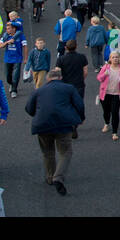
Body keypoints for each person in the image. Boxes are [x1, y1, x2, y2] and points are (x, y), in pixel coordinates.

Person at [24, 66, 85, 196]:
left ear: (48, 79)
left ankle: (50, 177)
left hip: (43, 125)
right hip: (63, 124)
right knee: (65, 152)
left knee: (48, 152)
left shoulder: (38, 91)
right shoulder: (69, 88)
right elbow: (79, 105)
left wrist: (40, 114)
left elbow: (29, 108)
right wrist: (81, 118)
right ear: (60, 78)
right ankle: (59, 176)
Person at [97, 50, 120, 140]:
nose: (115, 59)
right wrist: (105, 74)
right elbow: (99, 78)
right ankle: (106, 123)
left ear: (119, 58)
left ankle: (114, 132)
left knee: (115, 112)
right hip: (105, 94)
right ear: (110, 59)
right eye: (113, 57)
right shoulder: (106, 67)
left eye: (116, 57)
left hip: (117, 94)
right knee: (106, 111)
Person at [0, 21, 28, 97]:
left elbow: (25, 47)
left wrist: (25, 58)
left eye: (9, 29)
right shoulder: (6, 36)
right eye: (6, 29)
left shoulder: (20, 36)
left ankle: (14, 90)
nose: (7, 30)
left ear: (14, 29)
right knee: (8, 75)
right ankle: (11, 83)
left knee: (16, 75)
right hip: (8, 59)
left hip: (17, 58)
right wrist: (7, 42)